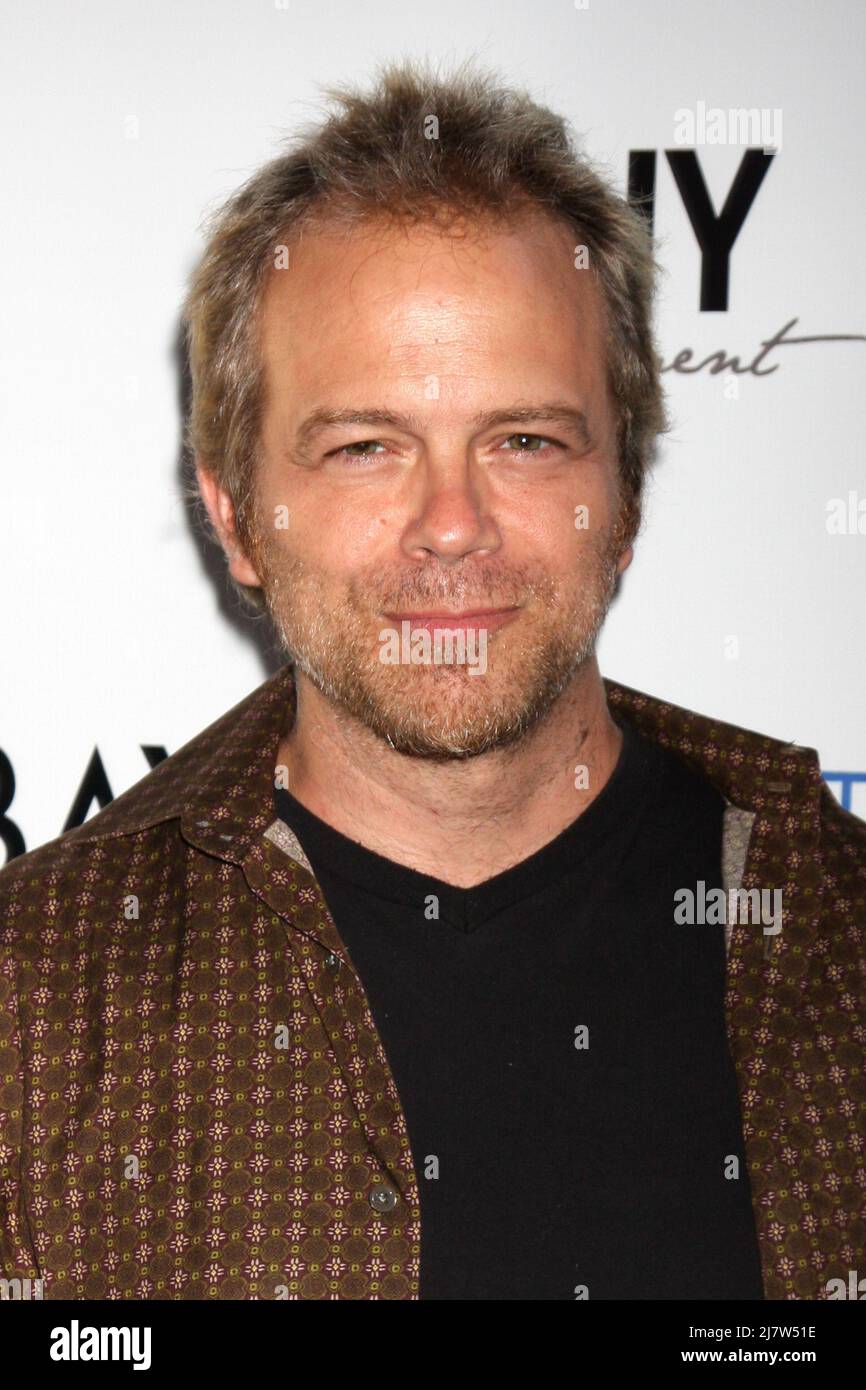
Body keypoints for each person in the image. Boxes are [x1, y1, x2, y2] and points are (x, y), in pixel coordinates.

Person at [1, 58, 863, 1302]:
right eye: (364, 448)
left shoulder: (831, 926)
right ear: (236, 515)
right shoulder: (32, 1005)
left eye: (522, 440)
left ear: (619, 493)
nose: (451, 525)